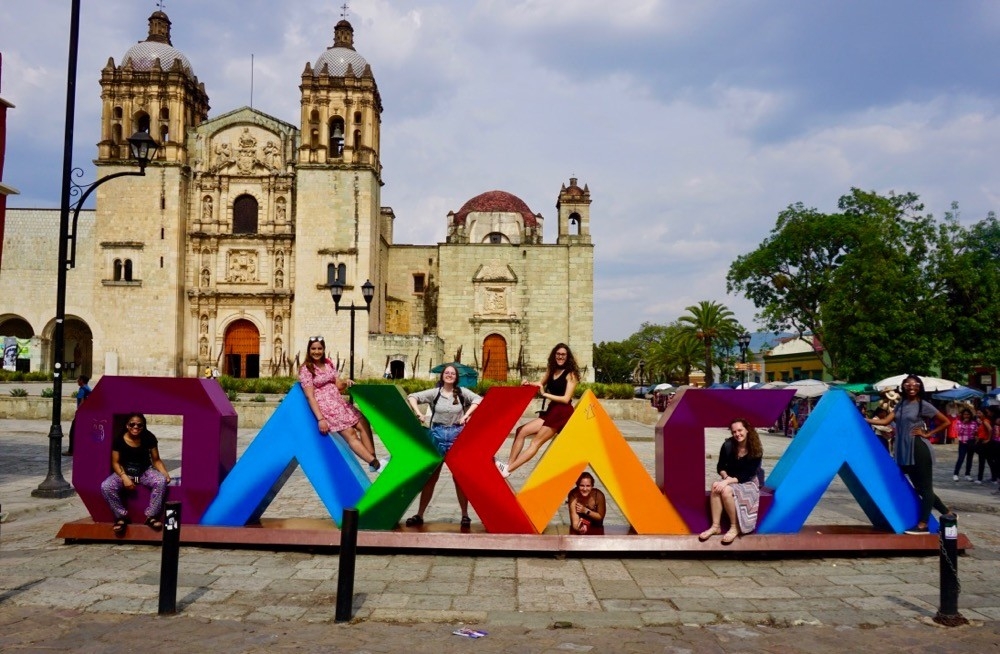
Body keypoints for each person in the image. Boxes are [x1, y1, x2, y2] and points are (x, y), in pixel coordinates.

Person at [867, 374, 954, 534]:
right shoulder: (900, 405)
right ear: (903, 387)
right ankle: (948, 515)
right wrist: (865, 419)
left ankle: (923, 525)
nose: (911, 386)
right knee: (919, 488)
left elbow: (946, 422)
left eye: (915, 384)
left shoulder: (923, 405)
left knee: (925, 488)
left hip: (918, 448)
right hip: (902, 449)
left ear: (919, 387)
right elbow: (885, 422)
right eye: (908, 384)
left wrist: (928, 434)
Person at [404, 364, 482, 528]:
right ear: (442, 376)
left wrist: (467, 415)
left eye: (452, 373)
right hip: (437, 436)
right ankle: (420, 514)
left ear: (456, 377)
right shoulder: (435, 393)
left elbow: (478, 400)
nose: (449, 375)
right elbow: (412, 396)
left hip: (457, 436)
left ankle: (465, 515)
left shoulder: (461, 392)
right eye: (447, 373)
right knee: (431, 478)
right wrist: (418, 413)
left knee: (459, 479)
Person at [496, 343, 580, 478]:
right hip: (552, 410)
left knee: (535, 442)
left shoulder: (571, 374)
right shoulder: (552, 370)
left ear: (567, 356)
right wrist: (528, 383)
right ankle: (507, 468)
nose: (560, 357)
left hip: (562, 412)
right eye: (558, 354)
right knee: (521, 431)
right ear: (554, 355)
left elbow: (566, 399)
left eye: (563, 354)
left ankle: (508, 469)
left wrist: (545, 394)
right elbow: (541, 384)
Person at [298, 336, 381, 471]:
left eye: (319, 348)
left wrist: (345, 382)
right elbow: (310, 396)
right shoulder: (306, 369)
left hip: (340, 402)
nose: (316, 351)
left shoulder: (328, 363)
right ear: (309, 350)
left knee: (363, 422)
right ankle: (374, 463)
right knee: (350, 434)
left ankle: (372, 457)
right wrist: (321, 419)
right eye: (313, 349)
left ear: (324, 349)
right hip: (327, 407)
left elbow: (338, 385)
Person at [100, 413, 170, 534]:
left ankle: (151, 516)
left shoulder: (149, 438)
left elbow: (156, 460)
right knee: (106, 486)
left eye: (139, 425)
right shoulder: (119, 440)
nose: (135, 427)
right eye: (132, 424)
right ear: (127, 425)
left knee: (161, 481)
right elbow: (115, 463)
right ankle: (121, 517)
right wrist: (124, 477)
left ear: (143, 426)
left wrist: (165, 473)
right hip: (125, 472)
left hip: (144, 472)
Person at [699, 418, 764, 544]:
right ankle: (715, 526)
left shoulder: (756, 449)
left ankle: (735, 527)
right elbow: (721, 466)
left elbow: (748, 474)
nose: (737, 434)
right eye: (734, 432)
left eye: (740, 430)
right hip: (730, 479)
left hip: (748, 482)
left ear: (747, 430)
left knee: (726, 490)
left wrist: (727, 482)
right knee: (715, 486)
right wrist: (725, 477)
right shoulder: (728, 445)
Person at [63, 374, 92, 456]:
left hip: (82, 414)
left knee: (73, 432)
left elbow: (82, 401)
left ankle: (71, 450)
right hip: (87, 414)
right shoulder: (88, 388)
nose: (77, 380)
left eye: (78, 379)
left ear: (81, 381)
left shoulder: (82, 389)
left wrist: (79, 412)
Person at [951, 407, 979, 481]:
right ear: (962, 415)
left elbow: (976, 432)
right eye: (965, 414)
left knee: (969, 459)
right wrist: (964, 423)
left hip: (971, 442)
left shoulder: (974, 423)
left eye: (968, 414)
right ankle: (956, 474)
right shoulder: (959, 422)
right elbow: (959, 432)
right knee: (961, 458)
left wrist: (976, 440)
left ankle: (967, 474)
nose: (966, 416)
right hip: (963, 442)